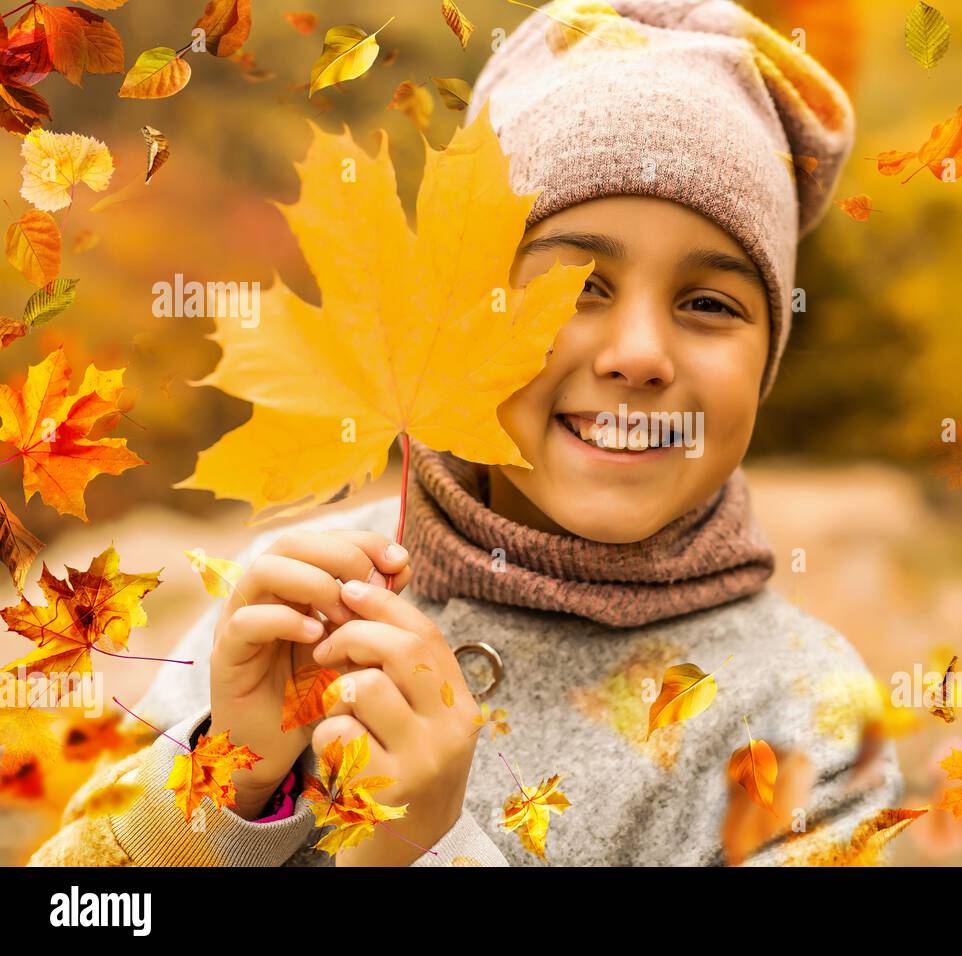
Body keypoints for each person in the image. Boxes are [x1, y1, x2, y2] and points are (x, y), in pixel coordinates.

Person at [29, 0, 901, 867]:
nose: (640, 355)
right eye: (575, 286)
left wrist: (431, 849)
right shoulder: (294, 609)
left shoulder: (807, 720)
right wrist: (229, 785)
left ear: (768, 360)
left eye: (709, 304)